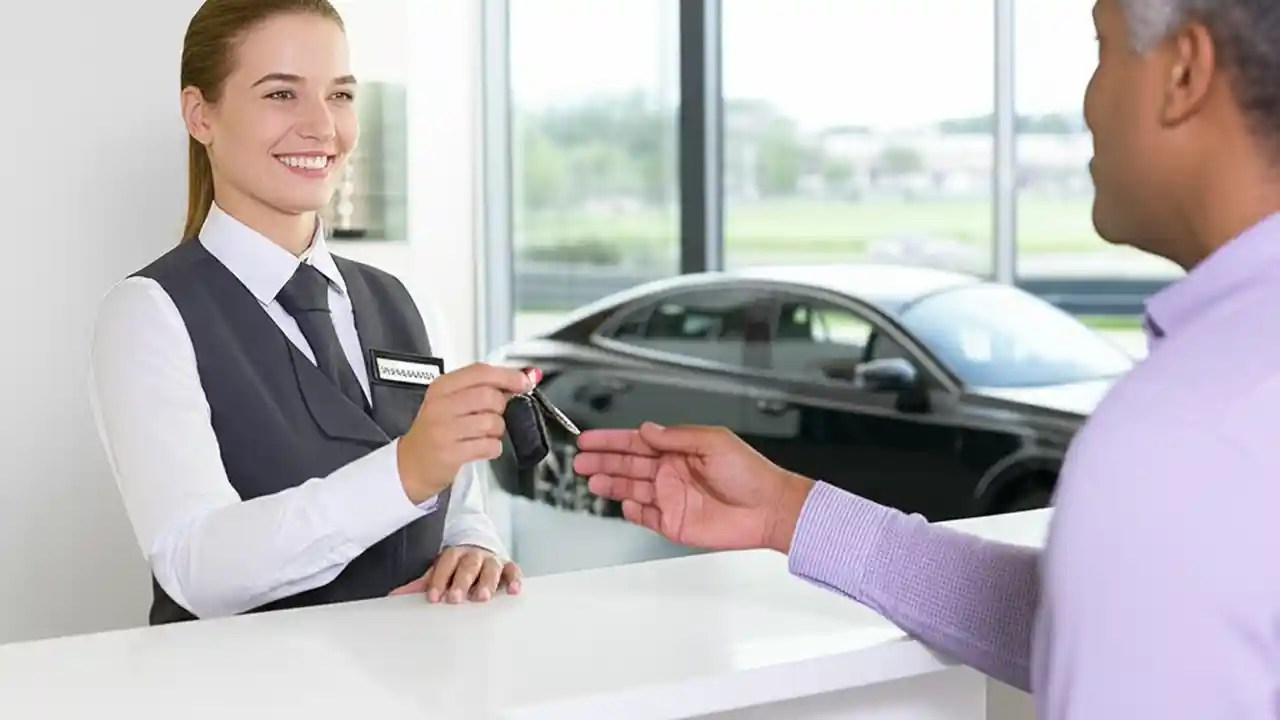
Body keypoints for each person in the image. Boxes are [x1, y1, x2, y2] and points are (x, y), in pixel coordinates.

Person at [575, 0, 1280, 717]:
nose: (1088, 105)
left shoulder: (1186, 441)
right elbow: (1109, 624)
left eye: (1102, 47)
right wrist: (784, 510)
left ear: (1184, 72)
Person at [89, 0, 531, 624]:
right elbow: (194, 566)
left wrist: (474, 546)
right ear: (200, 115)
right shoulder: (148, 316)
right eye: (281, 94)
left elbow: (460, 507)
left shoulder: (413, 304)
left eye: (341, 95)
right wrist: (402, 472)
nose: (323, 127)